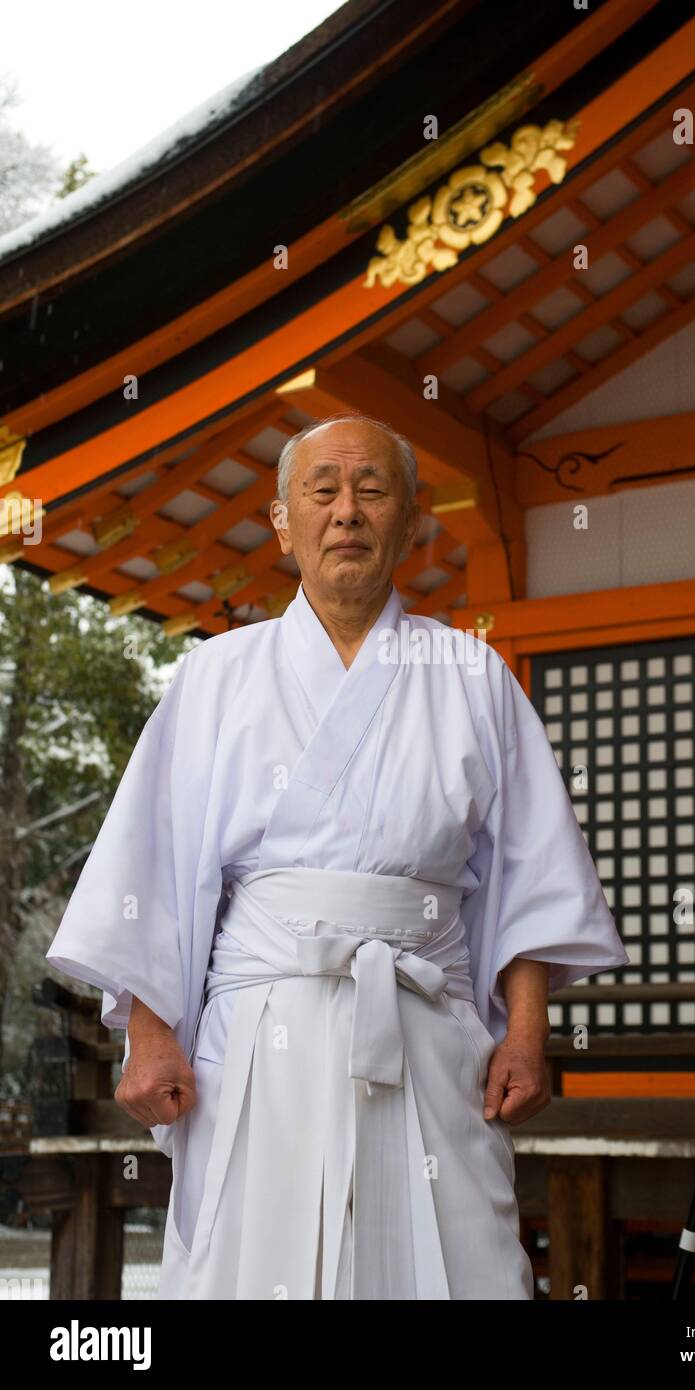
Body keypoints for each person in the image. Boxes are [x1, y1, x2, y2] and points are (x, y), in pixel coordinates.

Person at [46, 414, 629, 1300]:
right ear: (284, 523)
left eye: (370, 490)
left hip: (425, 1025)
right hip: (256, 1038)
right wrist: (152, 1036)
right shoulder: (214, 677)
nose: (345, 512)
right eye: (321, 492)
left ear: (408, 519)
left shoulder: (474, 678)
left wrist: (524, 1031)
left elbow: (533, 873)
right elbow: (148, 868)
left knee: (455, 1253)